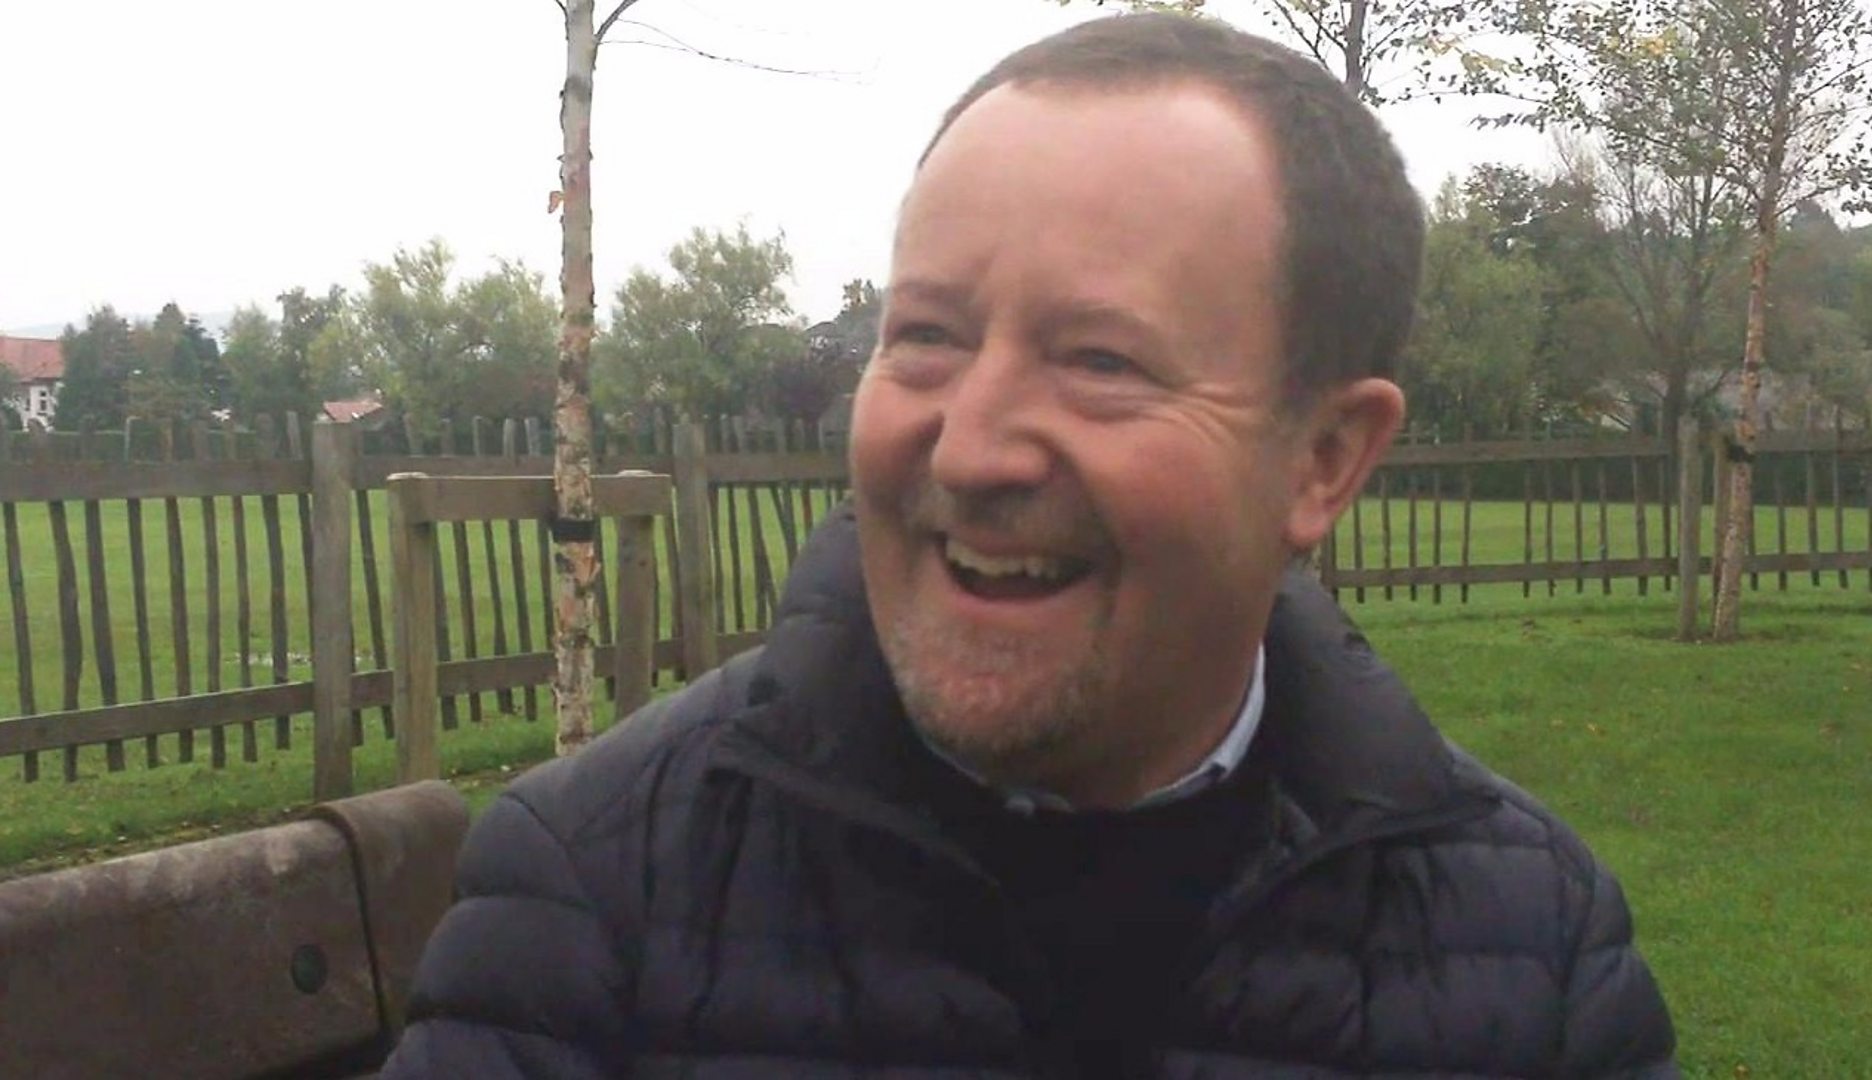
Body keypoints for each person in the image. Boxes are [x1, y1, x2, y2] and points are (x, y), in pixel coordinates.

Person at [382, 12, 1676, 1078]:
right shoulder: (592, 895)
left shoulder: (1533, 953)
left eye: (1100, 359)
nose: (969, 448)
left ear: (1324, 460)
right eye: (927, 337)